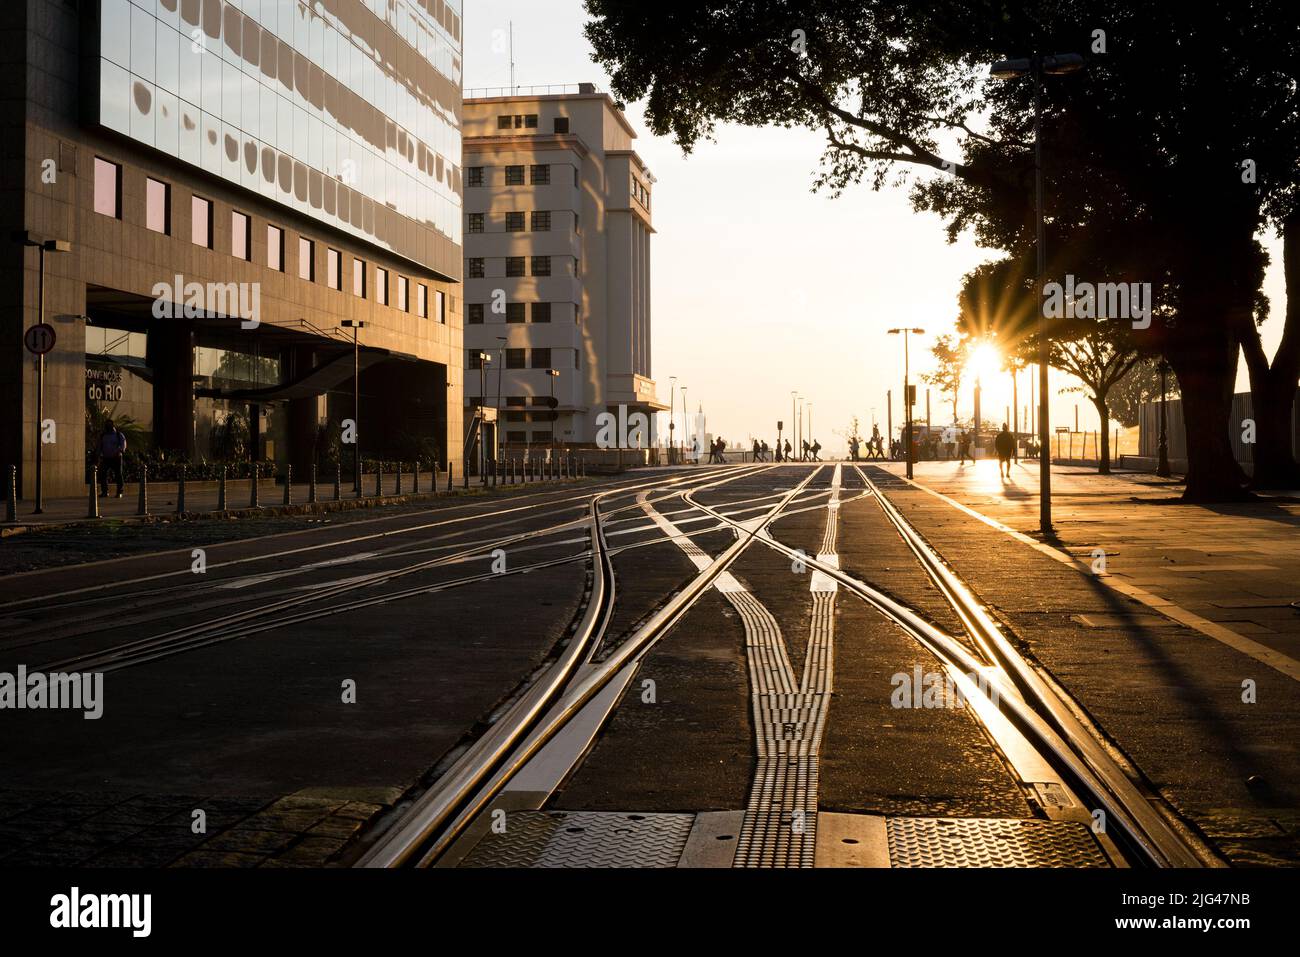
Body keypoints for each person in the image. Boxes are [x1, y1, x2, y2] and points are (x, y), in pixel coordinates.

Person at [97, 419, 127, 498]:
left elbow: (123, 444)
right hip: (106, 458)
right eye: (107, 424)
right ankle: (105, 492)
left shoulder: (118, 434)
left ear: (113, 425)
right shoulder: (103, 435)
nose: (108, 426)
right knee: (103, 474)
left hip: (116, 458)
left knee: (118, 475)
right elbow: (100, 446)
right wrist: (99, 454)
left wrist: (120, 450)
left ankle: (119, 492)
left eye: (109, 424)